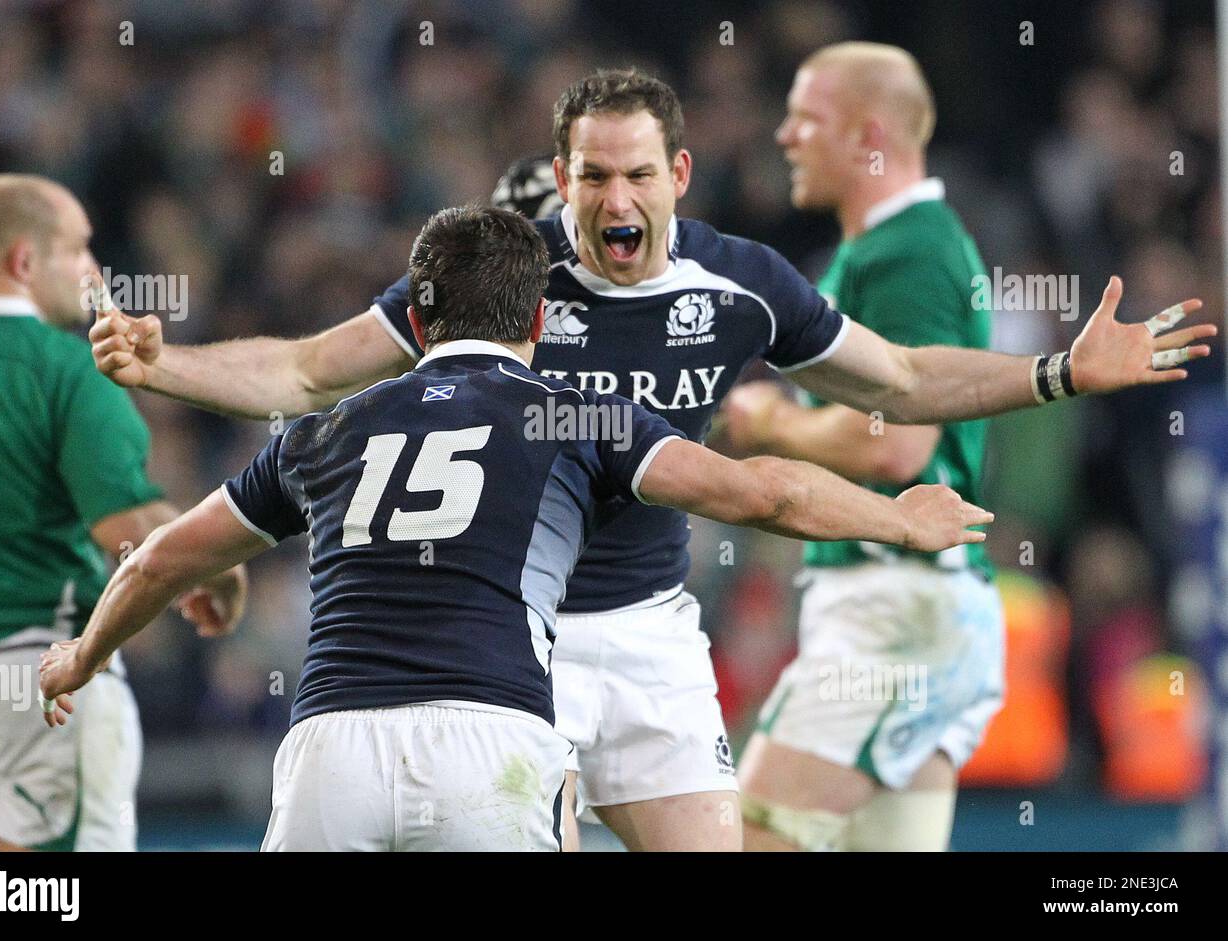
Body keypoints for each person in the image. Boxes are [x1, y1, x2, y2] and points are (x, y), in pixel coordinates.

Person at [85, 69, 1211, 851]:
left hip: (650, 636)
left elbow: (903, 379)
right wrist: (164, 362)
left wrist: (1059, 371)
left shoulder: (742, 284)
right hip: (512, 647)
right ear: (560, 180)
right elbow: (303, 374)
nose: (612, 203)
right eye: (589, 180)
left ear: (676, 172)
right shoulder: (505, 280)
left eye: (634, 177)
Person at [41, 204, 991, 851]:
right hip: (485, 743)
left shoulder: (325, 428)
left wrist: (80, 656)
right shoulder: (569, 412)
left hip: (331, 744)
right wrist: (899, 519)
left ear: (416, 316)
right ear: (539, 317)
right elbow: (763, 493)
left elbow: (163, 557)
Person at [721, 42, 1003, 851]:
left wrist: (772, 425)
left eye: (806, 118)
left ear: (869, 136)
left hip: (895, 605)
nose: (784, 136)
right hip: (919, 607)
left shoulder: (907, 249)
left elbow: (896, 449)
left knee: (746, 836)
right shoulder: (877, 248)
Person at [0, 174, 246, 852]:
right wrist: (220, 567)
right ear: (23, 261)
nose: (94, 272)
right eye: (78, 250)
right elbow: (128, 530)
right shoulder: (66, 370)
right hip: (38, 675)